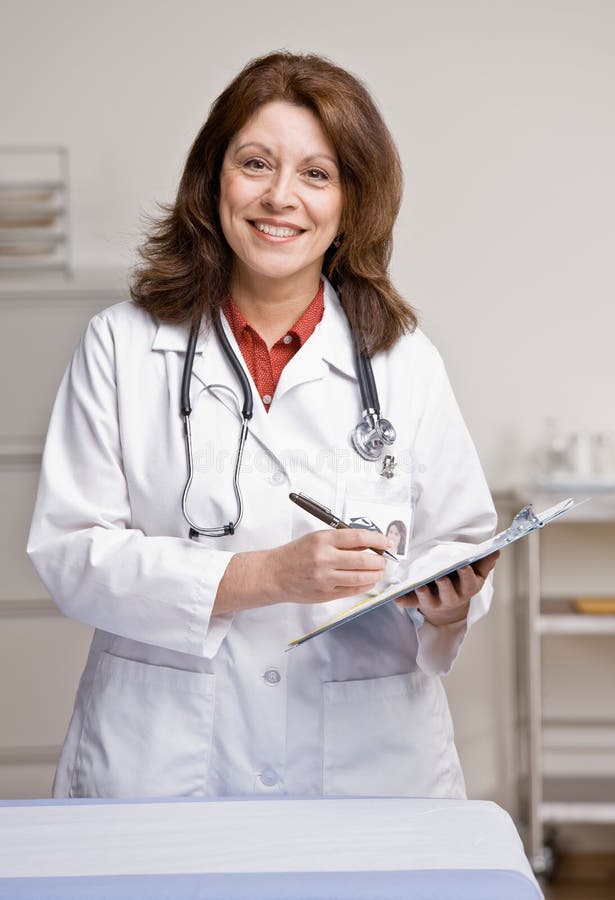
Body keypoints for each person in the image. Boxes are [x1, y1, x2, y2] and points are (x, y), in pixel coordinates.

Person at [27, 51, 498, 800]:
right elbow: (72, 553)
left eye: (317, 174)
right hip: (162, 759)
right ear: (213, 180)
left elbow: (460, 538)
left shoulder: (404, 361)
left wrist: (451, 596)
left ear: (352, 203)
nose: (281, 197)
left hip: (367, 765)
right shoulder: (121, 344)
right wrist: (264, 576)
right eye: (255, 164)